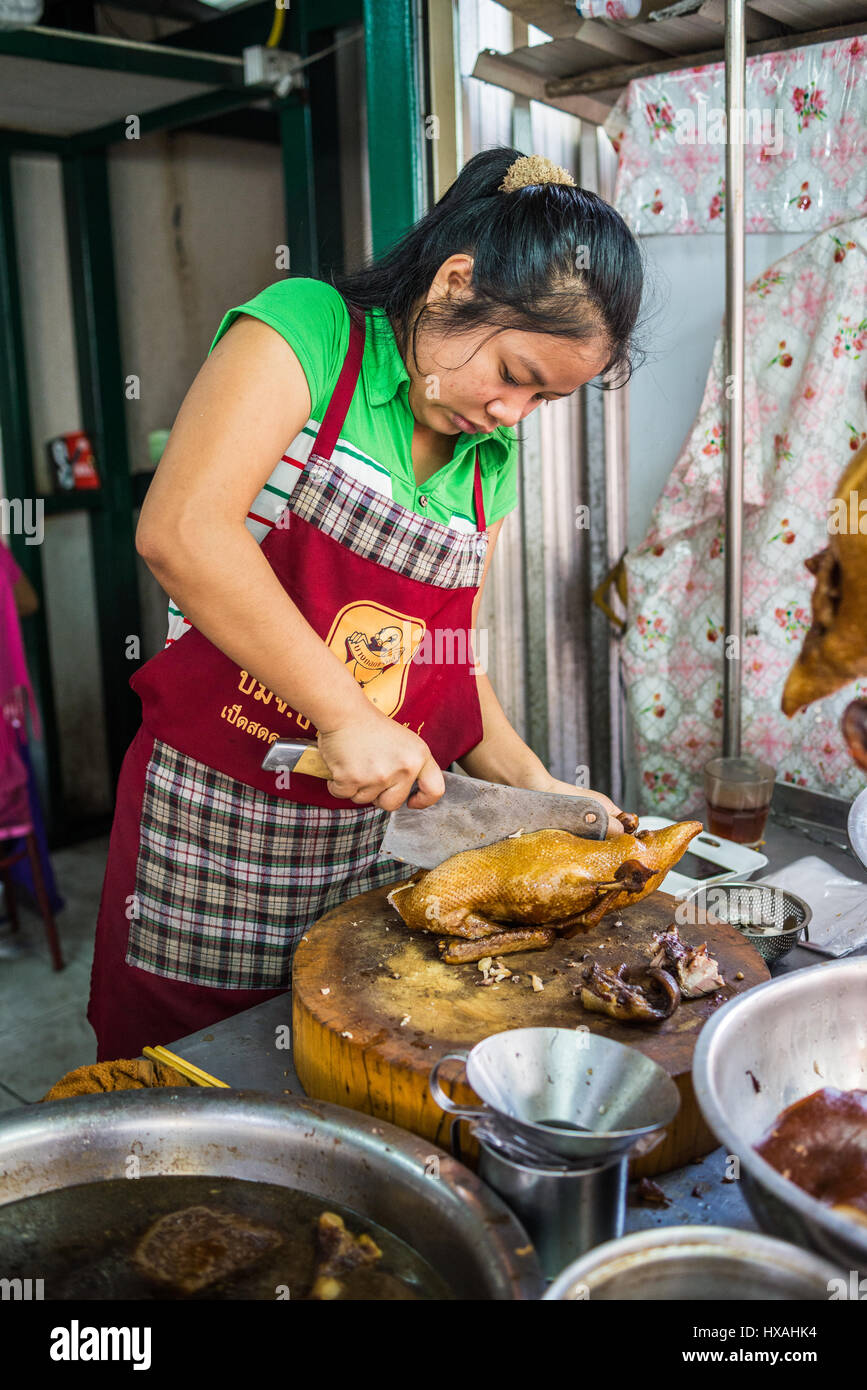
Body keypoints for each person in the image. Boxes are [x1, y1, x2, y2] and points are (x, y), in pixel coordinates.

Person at [87, 148, 644, 1059]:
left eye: (543, 399)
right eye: (510, 372)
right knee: (186, 1088)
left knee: (345, 1070)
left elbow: (447, 662)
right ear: (453, 284)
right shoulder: (311, 331)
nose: (513, 414)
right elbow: (183, 532)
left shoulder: (485, 464)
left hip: (366, 851)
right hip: (211, 836)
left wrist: (537, 789)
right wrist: (345, 714)